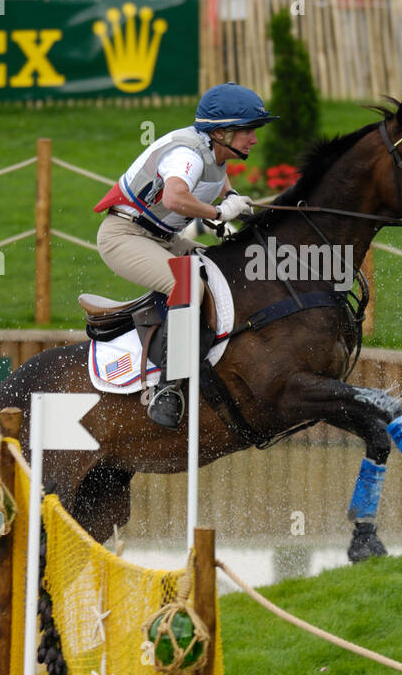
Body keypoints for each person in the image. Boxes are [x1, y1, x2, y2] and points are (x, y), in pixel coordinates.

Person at [92, 83, 276, 427]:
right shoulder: (187, 155)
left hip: (160, 237)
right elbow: (176, 197)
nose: (254, 139)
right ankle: (166, 387)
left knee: (224, 269)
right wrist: (219, 214)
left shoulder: (213, 150)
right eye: (248, 130)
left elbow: (217, 180)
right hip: (124, 237)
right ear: (221, 132)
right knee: (189, 285)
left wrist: (232, 197)